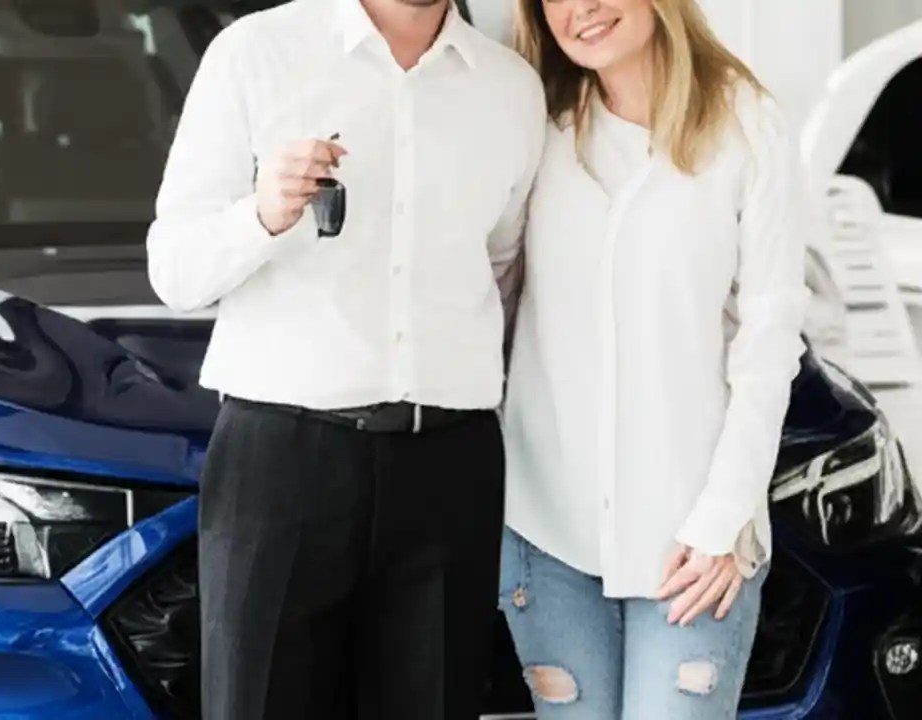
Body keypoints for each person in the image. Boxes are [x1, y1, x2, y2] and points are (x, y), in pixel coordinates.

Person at [145, 0, 546, 716]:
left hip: (449, 466)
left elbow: (502, 265)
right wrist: (262, 211)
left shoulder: (509, 86)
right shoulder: (256, 52)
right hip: (283, 460)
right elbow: (174, 272)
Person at [498, 0, 812, 717]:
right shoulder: (535, 129)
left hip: (692, 540)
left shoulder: (747, 125)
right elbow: (490, 295)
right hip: (547, 532)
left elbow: (768, 343)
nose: (582, 8)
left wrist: (723, 519)